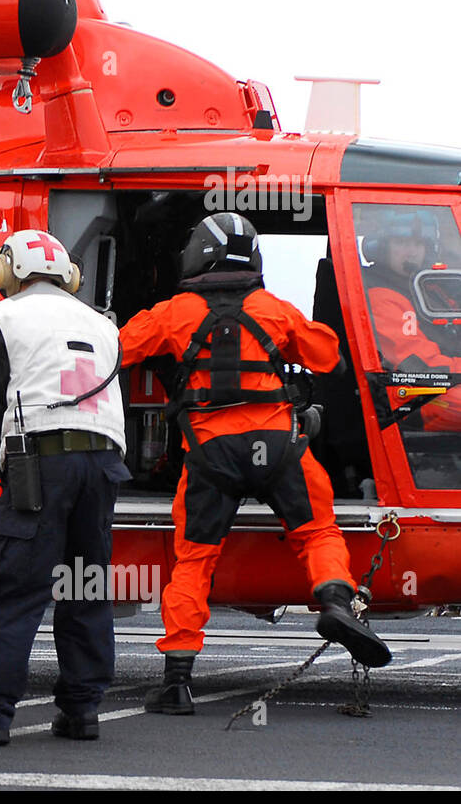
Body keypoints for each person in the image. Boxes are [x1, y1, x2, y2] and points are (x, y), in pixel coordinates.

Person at [120, 213, 392, 715]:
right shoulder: (272, 309)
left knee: (195, 561)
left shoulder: (174, 313)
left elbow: (116, 351)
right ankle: (334, 600)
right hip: (279, 446)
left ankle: (177, 683)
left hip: (209, 454)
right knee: (317, 532)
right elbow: (327, 355)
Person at [0, 230, 127, 746]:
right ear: (66, 273)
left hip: (40, 466)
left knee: (11, 589)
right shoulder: (102, 323)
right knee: (84, 586)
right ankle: (82, 711)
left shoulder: (0, 318)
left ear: (8, 273)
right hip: (103, 464)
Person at [362, 208, 461, 432]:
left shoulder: (431, 287)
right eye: (401, 242)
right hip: (417, 394)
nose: (412, 252)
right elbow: (418, 366)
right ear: (383, 247)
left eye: (419, 244)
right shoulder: (382, 296)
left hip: (445, 381)